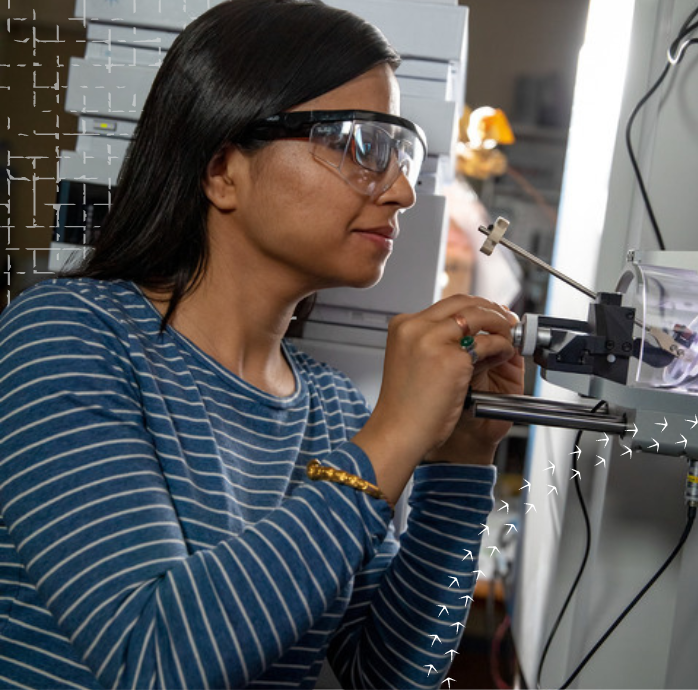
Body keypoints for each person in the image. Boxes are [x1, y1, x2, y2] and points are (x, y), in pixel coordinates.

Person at [0, 1, 523, 688]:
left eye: (399, 154)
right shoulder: (65, 338)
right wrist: (393, 437)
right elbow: (151, 661)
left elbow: (390, 677)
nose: (400, 191)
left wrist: (459, 463)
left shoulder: (330, 408)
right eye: (361, 146)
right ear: (223, 170)